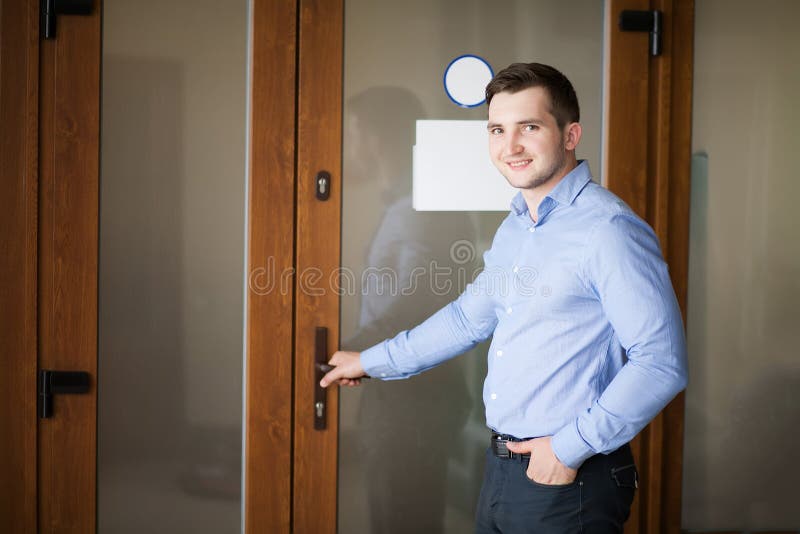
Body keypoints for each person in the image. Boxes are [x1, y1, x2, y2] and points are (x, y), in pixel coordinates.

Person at [321, 62, 688, 533]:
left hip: (568, 475)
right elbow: (465, 320)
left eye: (529, 127)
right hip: (504, 467)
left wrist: (567, 448)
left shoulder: (608, 230)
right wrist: (370, 361)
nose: (509, 146)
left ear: (570, 134)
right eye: (497, 129)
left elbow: (661, 362)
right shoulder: (517, 226)